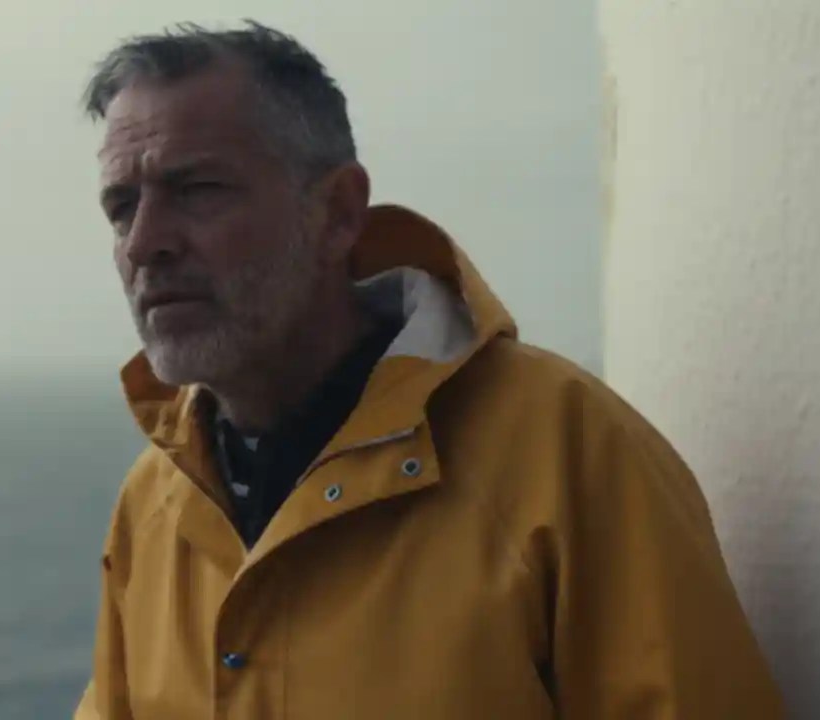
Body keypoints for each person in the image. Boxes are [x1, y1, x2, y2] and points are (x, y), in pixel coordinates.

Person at [74, 21, 784, 719]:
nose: (145, 244)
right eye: (121, 207)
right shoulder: (155, 507)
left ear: (338, 213)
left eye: (196, 189)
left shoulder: (567, 453)